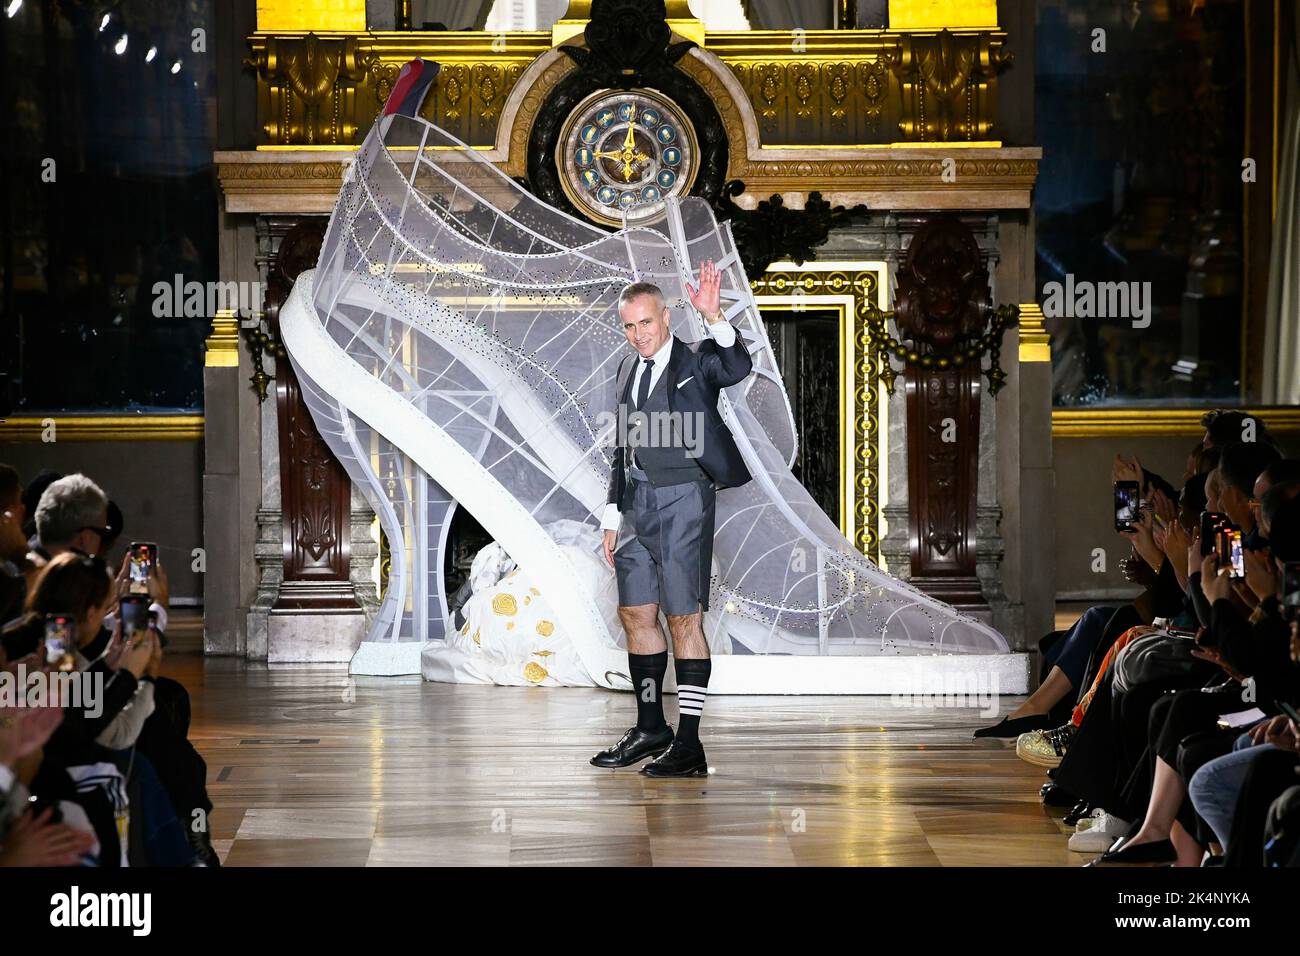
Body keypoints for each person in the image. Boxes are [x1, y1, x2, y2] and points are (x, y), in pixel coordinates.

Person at [590, 261, 753, 777]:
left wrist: (715, 316)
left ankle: (688, 743)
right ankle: (650, 727)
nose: (639, 335)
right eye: (630, 326)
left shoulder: (698, 361)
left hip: (684, 499)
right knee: (636, 614)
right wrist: (613, 513)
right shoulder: (625, 369)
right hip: (636, 506)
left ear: (666, 318)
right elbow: (623, 446)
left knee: (685, 617)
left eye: (647, 323)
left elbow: (736, 367)